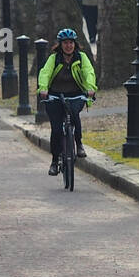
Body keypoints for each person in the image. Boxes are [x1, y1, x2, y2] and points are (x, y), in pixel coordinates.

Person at [36, 28, 98, 174]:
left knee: (74, 115)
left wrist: (90, 88)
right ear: (60, 44)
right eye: (65, 43)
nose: (68, 45)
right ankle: (54, 161)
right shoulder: (54, 58)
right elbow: (45, 73)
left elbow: (89, 72)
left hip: (76, 95)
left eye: (71, 42)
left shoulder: (81, 57)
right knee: (56, 129)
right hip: (55, 96)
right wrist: (43, 89)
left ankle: (79, 143)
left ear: (75, 44)